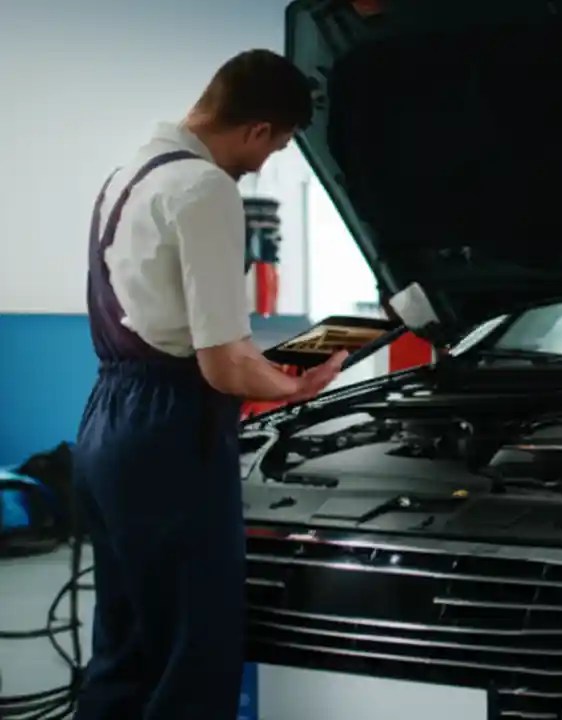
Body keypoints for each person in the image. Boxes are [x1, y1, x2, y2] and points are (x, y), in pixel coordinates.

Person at [72, 49, 347, 719]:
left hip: (106, 419)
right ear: (258, 129)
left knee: (127, 641)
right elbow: (223, 365)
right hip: (170, 431)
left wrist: (260, 366)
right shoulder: (206, 188)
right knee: (194, 648)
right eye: (277, 145)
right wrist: (297, 387)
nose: (267, 160)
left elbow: (176, 331)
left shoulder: (126, 176)